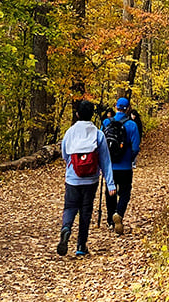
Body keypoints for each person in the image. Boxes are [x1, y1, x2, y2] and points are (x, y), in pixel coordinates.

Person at [58, 100, 116, 257]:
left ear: (77, 114)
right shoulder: (98, 134)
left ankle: (66, 228)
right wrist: (110, 184)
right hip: (91, 180)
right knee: (86, 211)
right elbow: (105, 161)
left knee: (70, 207)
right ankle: (81, 246)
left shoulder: (70, 132)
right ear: (92, 115)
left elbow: (64, 154)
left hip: (72, 178)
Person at [102, 97, 140, 235]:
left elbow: (101, 144)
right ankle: (119, 213)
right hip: (125, 167)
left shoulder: (106, 122)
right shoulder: (132, 125)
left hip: (109, 166)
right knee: (125, 192)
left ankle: (110, 221)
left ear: (115, 106)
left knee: (110, 192)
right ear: (128, 108)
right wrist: (130, 158)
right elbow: (135, 147)